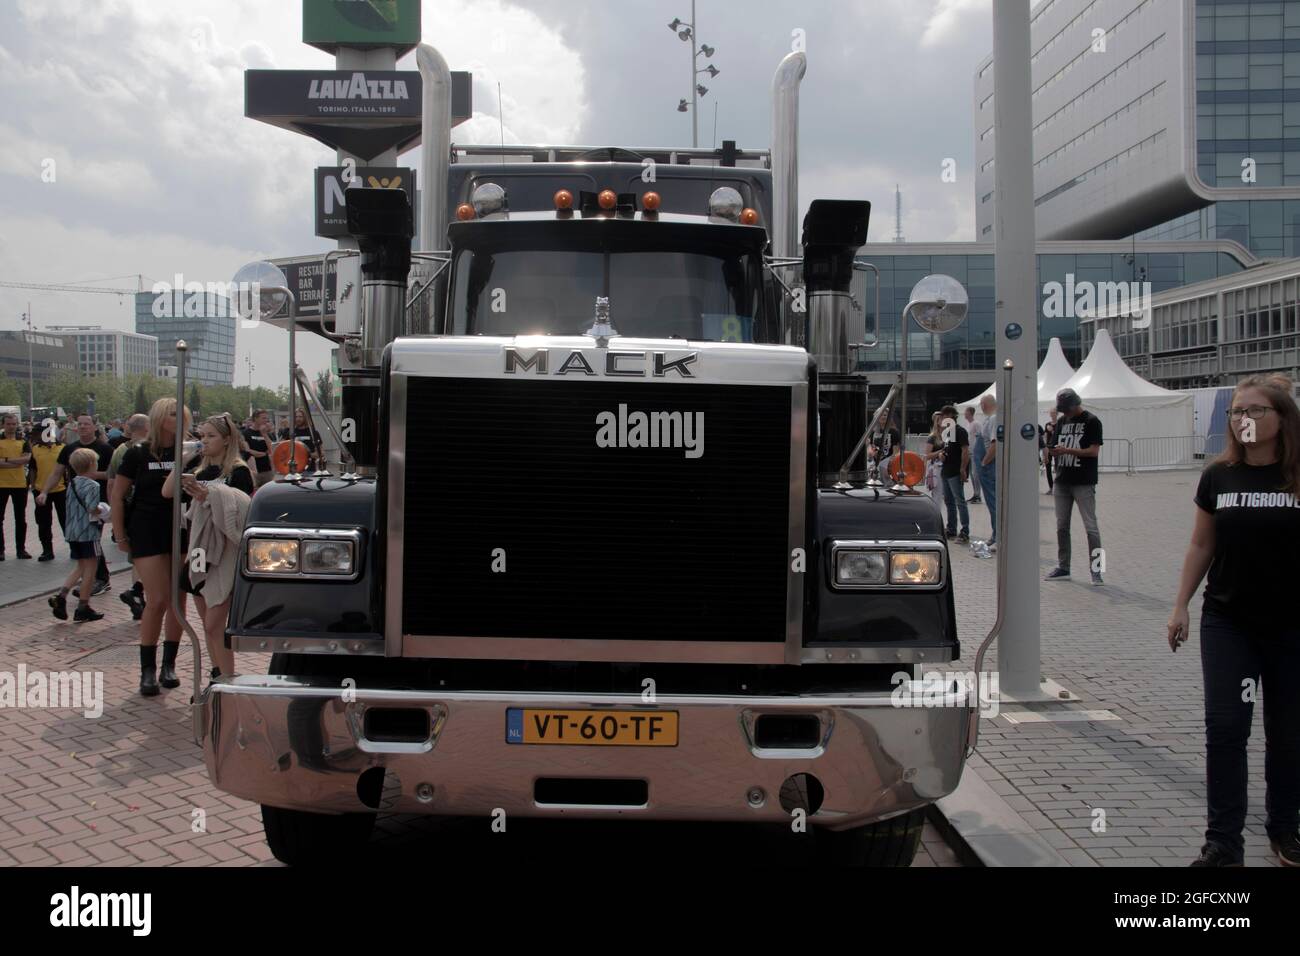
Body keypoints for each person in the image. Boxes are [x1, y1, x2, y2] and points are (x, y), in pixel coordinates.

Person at [1167, 373, 1300, 868]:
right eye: (1236, 412)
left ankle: (1286, 828)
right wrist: (1180, 605)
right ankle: (1223, 844)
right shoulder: (1219, 475)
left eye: (1254, 411)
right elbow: (1203, 544)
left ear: (1281, 418)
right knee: (1226, 728)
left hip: (1291, 627)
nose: (1242, 419)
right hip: (1229, 623)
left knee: (1287, 732)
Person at [165, 412, 254, 680]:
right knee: (207, 624)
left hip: (225, 552)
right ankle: (217, 674)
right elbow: (168, 493)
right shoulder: (200, 471)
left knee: (216, 623)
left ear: (227, 440)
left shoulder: (238, 471)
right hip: (200, 550)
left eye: (211, 436)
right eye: (202, 436)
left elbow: (241, 511)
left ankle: (228, 679)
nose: (204, 441)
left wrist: (210, 496)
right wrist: (182, 461)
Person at [112, 399, 191, 696]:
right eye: (174, 414)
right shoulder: (137, 453)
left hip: (181, 529)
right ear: (159, 418)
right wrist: (120, 536)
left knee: (178, 600)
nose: (180, 419)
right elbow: (118, 495)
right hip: (146, 529)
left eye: (183, 415)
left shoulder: (189, 451)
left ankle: (168, 665)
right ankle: (147, 669)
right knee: (156, 599)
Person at [39, 415, 113, 594]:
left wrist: (94, 475)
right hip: (75, 502)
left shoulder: (106, 449)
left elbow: (113, 474)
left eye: (86, 424)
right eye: (79, 424)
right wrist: (44, 491)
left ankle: (100, 578)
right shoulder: (69, 449)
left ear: (95, 427)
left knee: (93, 539)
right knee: (84, 541)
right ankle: (88, 576)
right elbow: (57, 472)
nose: (82, 427)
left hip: (98, 500)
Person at [1044, 388, 1104, 585]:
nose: (1065, 414)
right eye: (1063, 411)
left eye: (1067, 410)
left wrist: (1067, 450)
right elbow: (1053, 446)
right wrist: (1052, 450)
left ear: (1076, 404)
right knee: (1061, 526)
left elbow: (1093, 451)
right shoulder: (1062, 421)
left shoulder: (1092, 421)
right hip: (1062, 480)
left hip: (1084, 481)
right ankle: (1063, 567)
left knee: (1091, 527)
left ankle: (1098, 570)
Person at [48, 448, 106, 623]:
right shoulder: (93, 485)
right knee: (91, 569)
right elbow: (91, 508)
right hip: (88, 532)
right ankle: (83, 606)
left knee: (80, 566)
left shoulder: (72, 483)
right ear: (91, 465)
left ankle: (62, 596)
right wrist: (103, 511)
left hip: (72, 530)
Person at [108, 414, 150, 619]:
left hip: (128, 510)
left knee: (137, 560)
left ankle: (138, 594)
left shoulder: (119, 451)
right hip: (142, 512)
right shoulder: (146, 451)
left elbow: (112, 485)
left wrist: (115, 518)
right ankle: (138, 593)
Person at [28, 423, 66, 561]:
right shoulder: (35, 449)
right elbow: (32, 469)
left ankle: (75, 548)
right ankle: (47, 551)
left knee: (65, 520)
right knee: (43, 523)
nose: (36, 437)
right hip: (40, 490)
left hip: (61, 490)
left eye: (38, 434)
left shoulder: (63, 448)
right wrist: (33, 487)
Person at [935, 405, 970, 542]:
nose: (942, 418)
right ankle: (951, 529)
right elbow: (947, 449)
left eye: (944, 416)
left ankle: (965, 531)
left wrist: (963, 469)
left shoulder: (960, 431)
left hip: (955, 471)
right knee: (949, 501)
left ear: (951, 416)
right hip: (946, 470)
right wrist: (942, 455)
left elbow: (965, 451)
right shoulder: (948, 432)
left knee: (960, 501)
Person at [0, 413, 33, 560]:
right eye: (8, 424)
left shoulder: (23, 440)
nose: (11, 426)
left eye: (14, 424)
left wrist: (5, 460)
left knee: (20, 518)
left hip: (20, 484)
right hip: (1, 484)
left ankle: (21, 549)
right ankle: (1, 551)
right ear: (3, 425)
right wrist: (16, 461)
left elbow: (26, 459)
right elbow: (21, 460)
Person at [977, 395, 999, 548]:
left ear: (984, 405)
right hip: (988, 466)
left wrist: (985, 462)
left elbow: (995, 443)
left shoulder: (993, 419)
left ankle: (998, 536)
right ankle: (995, 534)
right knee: (992, 503)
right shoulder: (991, 419)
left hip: (990, 467)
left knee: (993, 503)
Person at [243, 409, 275, 488]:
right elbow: (247, 451)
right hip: (252, 470)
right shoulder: (246, 433)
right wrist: (264, 454)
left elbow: (272, 450)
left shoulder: (267, 434)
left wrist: (264, 434)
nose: (266, 420)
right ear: (255, 418)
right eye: (263, 418)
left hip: (267, 470)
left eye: (267, 418)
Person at [865, 408, 901, 473]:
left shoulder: (894, 432)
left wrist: (888, 464)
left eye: (885, 415)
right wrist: (870, 453)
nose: (883, 417)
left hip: (887, 466)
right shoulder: (873, 432)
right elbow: (870, 447)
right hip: (873, 465)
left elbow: (896, 452)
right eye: (880, 415)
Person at [963, 406, 983, 503]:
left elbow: (980, 436)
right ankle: (975, 493)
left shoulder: (976, 424)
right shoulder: (968, 424)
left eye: (966, 412)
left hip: (975, 452)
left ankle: (978, 495)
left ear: (970, 413)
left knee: (975, 474)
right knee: (971, 473)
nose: (964, 414)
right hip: (969, 452)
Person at [1043, 407, 1059, 493]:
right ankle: (1051, 487)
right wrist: (1044, 447)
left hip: (1056, 447)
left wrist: (1052, 430)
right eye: (1051, 413)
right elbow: (1045, 436)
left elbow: (1058, 436)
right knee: (1048, 468)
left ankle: (1058, 487)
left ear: (1057, 414)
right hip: (1048, 447)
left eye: (1054, 413)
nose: (1052, 414)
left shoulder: (1059, 424)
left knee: (1057, 468)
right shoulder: (1047, 424)